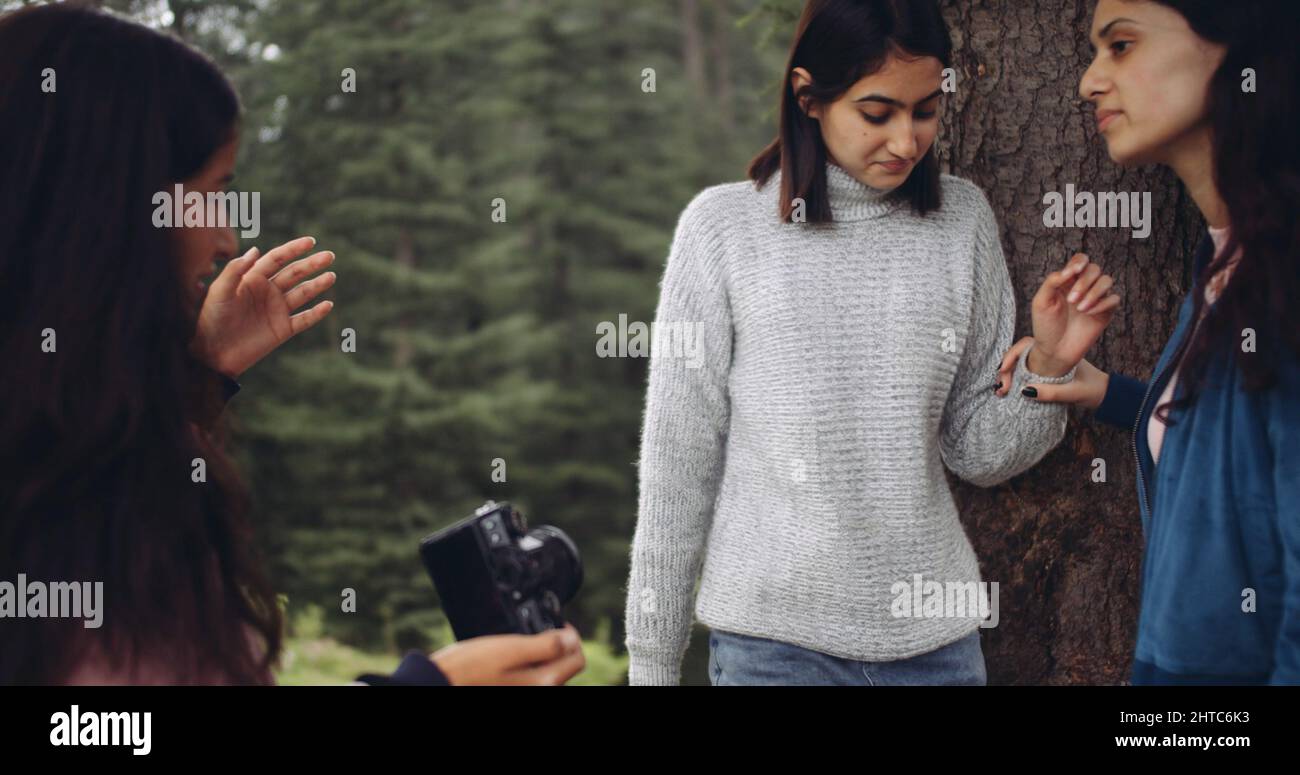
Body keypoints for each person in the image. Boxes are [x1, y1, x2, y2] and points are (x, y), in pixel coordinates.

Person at [0, 2, 584, 686]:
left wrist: (203, 375)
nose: (225, 238)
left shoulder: (48, 441)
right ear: (112, 208)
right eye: (213, 192)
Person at [622, 0, 1117, 685]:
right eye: (877, 113)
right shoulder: (721, 231)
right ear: (809, 97)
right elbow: (678, 465)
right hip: (772, 646)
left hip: (935, 648)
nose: (906, 141)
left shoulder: (962, 220)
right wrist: (651, 666)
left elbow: (977, 450)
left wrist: (1050, 364)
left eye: (925, 111)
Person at [997, 0, 1300, 684]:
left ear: (1236, 44)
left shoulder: (1282, 275)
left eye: (1122, 46)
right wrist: (1112, 393)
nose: (1088, 81)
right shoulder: (1227, 265)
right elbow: (1243, 450)